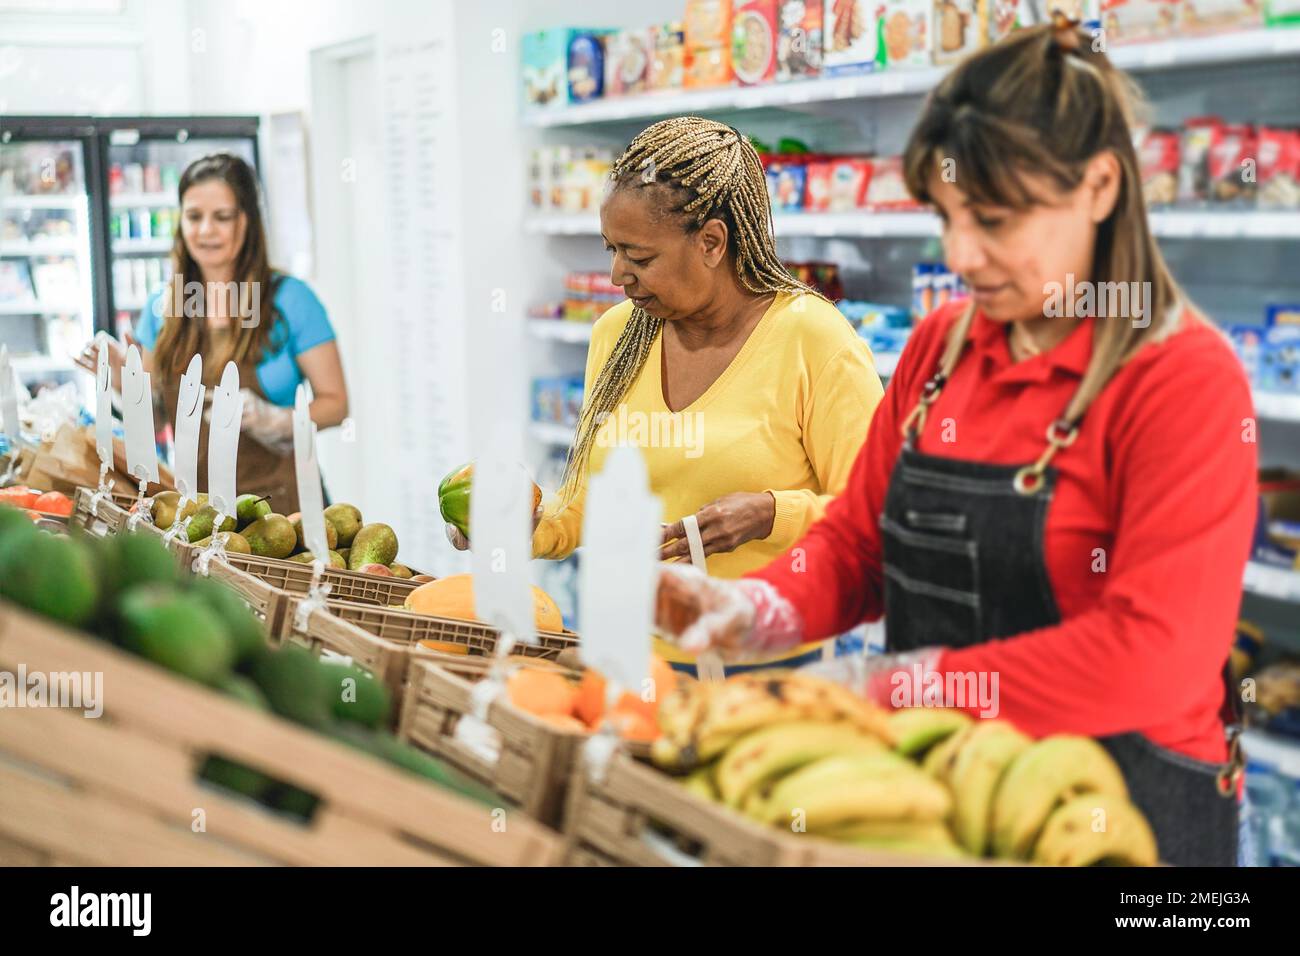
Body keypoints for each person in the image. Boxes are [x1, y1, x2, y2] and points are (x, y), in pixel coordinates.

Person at [652, 19, 1256, 866]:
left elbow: (1153, 655)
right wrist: (757, 608)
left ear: (1100, 185)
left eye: (996, 221)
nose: (962, 254)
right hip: (940, 798)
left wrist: (906, 685)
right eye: (947, 217)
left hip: (1125, 818)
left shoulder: (1183, 380)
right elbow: (858, 546)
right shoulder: (941, 349)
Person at [449, 117, 886, 675]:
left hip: (776, 670)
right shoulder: (618, 337)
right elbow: (587, 500)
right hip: (635, 661)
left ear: (711, 242)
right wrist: (522, 527)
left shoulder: (813, 339)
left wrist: (771, 513)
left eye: (639, 257)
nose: (616, 275)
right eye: (610, 249)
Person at [78, 154, 347, 513]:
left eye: (221, 217)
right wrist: (126, 385)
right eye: (194, 217)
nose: (206, 230)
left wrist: (277, 420)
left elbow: (336, 404)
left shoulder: (291, 299)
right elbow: (157, 421)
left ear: (246, 221)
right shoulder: (166, 307)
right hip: (199, 515)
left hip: (287, 512)